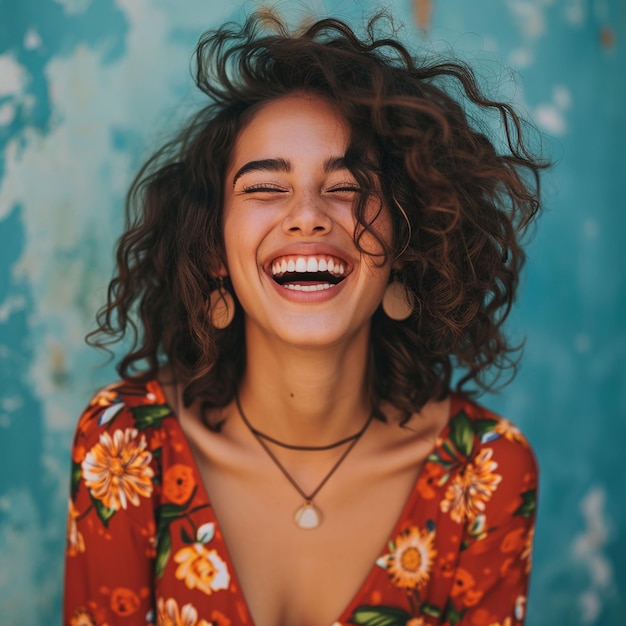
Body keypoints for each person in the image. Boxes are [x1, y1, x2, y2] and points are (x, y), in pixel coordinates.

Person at [64, 11, 544, 626]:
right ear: (213, 250)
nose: (309, 215)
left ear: (405, 244)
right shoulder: (125, 445)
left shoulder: (487, 471)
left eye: (348, 186)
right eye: (265, 189)